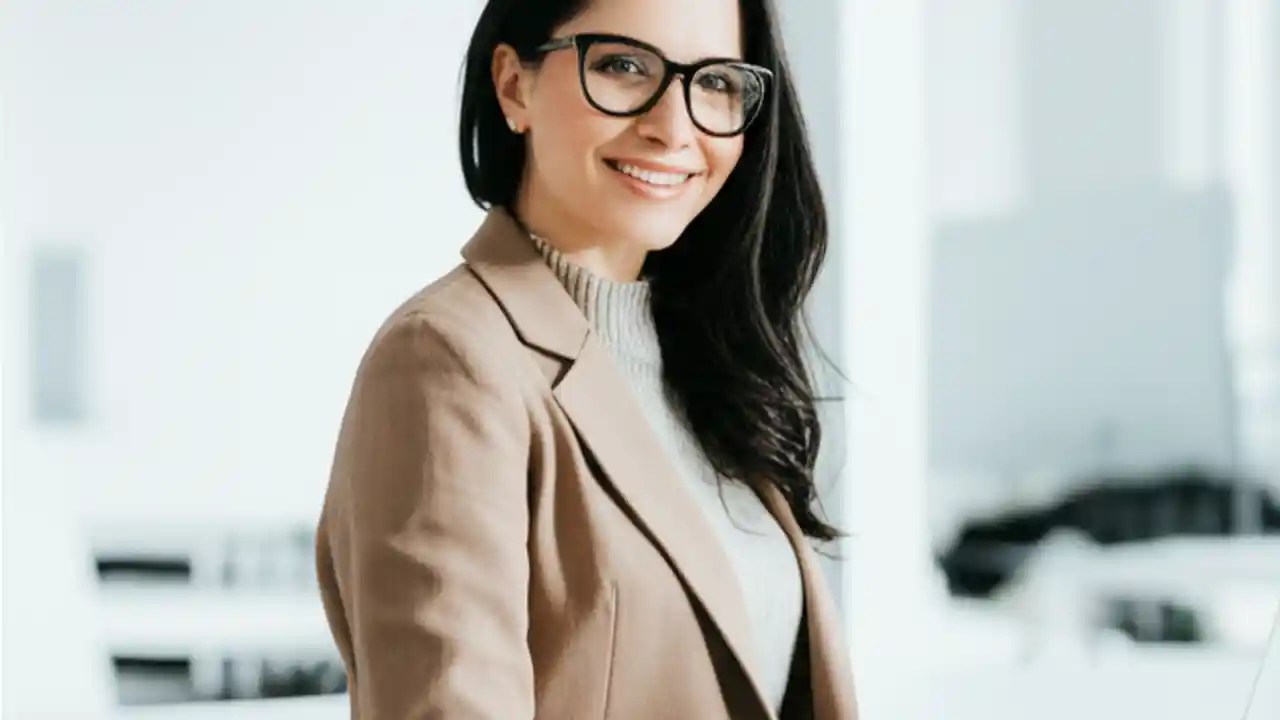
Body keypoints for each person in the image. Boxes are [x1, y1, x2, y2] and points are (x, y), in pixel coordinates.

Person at [314, 0, 858, 717]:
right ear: (513, 86)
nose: (675, 126)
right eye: (625, 66)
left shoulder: (709, 361)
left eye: (718, 82)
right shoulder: (447, 361)